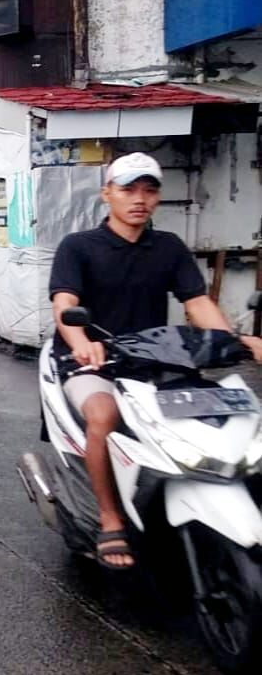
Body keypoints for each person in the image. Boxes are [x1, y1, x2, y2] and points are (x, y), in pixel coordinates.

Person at [49, 152, 262, 570]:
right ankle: (110, 517)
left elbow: (197, 302)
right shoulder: (79, 246)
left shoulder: (168, 247)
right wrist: (81, 341)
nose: (139, 199)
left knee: (230, 414)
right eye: (128, 189)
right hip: (94, 360)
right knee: (104, 415)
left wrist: (235, 340)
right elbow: (65, 303)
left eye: (149, 190)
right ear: (107, 194)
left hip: (156, 357)